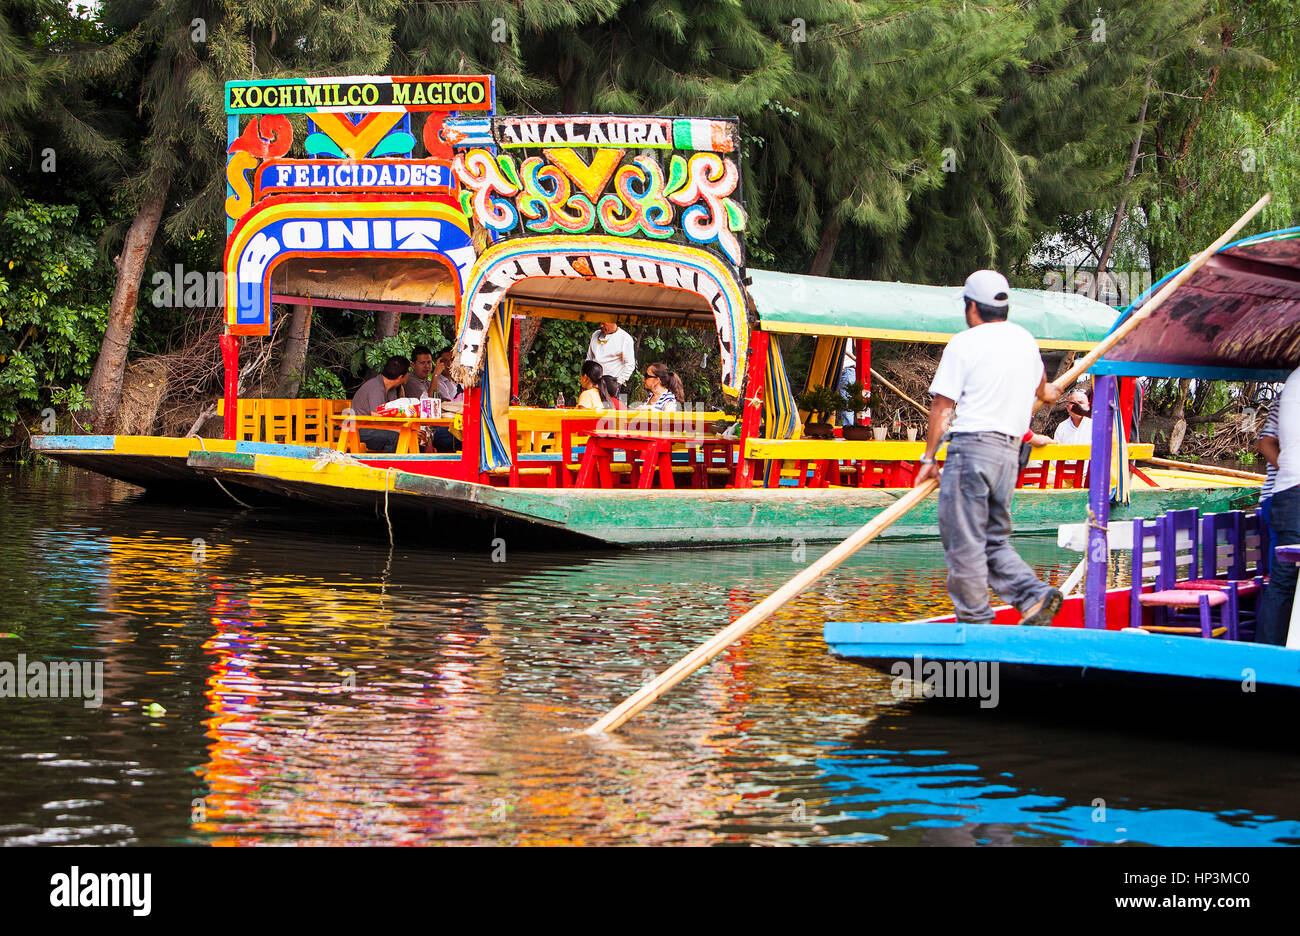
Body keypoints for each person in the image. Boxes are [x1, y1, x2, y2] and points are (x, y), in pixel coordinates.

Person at [913, 270, 1063, 627]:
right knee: (993, 541)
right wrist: (1048, 394)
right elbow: (1042, 387)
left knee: (964, 543)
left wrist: (928, 458)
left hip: (973, 450)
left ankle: (975, 624)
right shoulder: (1025, 340)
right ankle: (1033, 595)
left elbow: (942, 407)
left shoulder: (965, 343)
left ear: (971, 307)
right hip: (1008, 456)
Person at [1255, 369, 1300, 645]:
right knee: (1284, 579)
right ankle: (1271, 656)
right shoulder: (1289, 391)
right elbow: (1266, 442)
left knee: (1284, 580)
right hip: (1288, 492)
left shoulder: (1293, 382)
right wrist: (1291, 469)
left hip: (1289, 489)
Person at [351, 355, 410, 453]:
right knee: (395, 437)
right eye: (408, 371)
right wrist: (400, 430)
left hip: (373, 428)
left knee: (411, 435)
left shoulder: (390, 389)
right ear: (400, 377)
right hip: (360, 430)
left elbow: (395, 414)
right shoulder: (376, 388)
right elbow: (377, 419)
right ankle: (388, 466)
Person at [1028, 388, 1092, 447]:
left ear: (1088, 406)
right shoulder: (1062, 427)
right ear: (1067, 407)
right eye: (1073, 403)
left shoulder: (1094, 424)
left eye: (1081, 402)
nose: (1077, 406)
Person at [586, 322, 636, 392]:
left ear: (613, 321)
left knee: (609, 403)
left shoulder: (625, 338)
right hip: (592, 383)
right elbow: (589, 359)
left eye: (604, 323)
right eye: (600, 322)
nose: (601, 325)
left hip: (610, 386)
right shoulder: (595, 334)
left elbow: (630, 365)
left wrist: (617, 383)